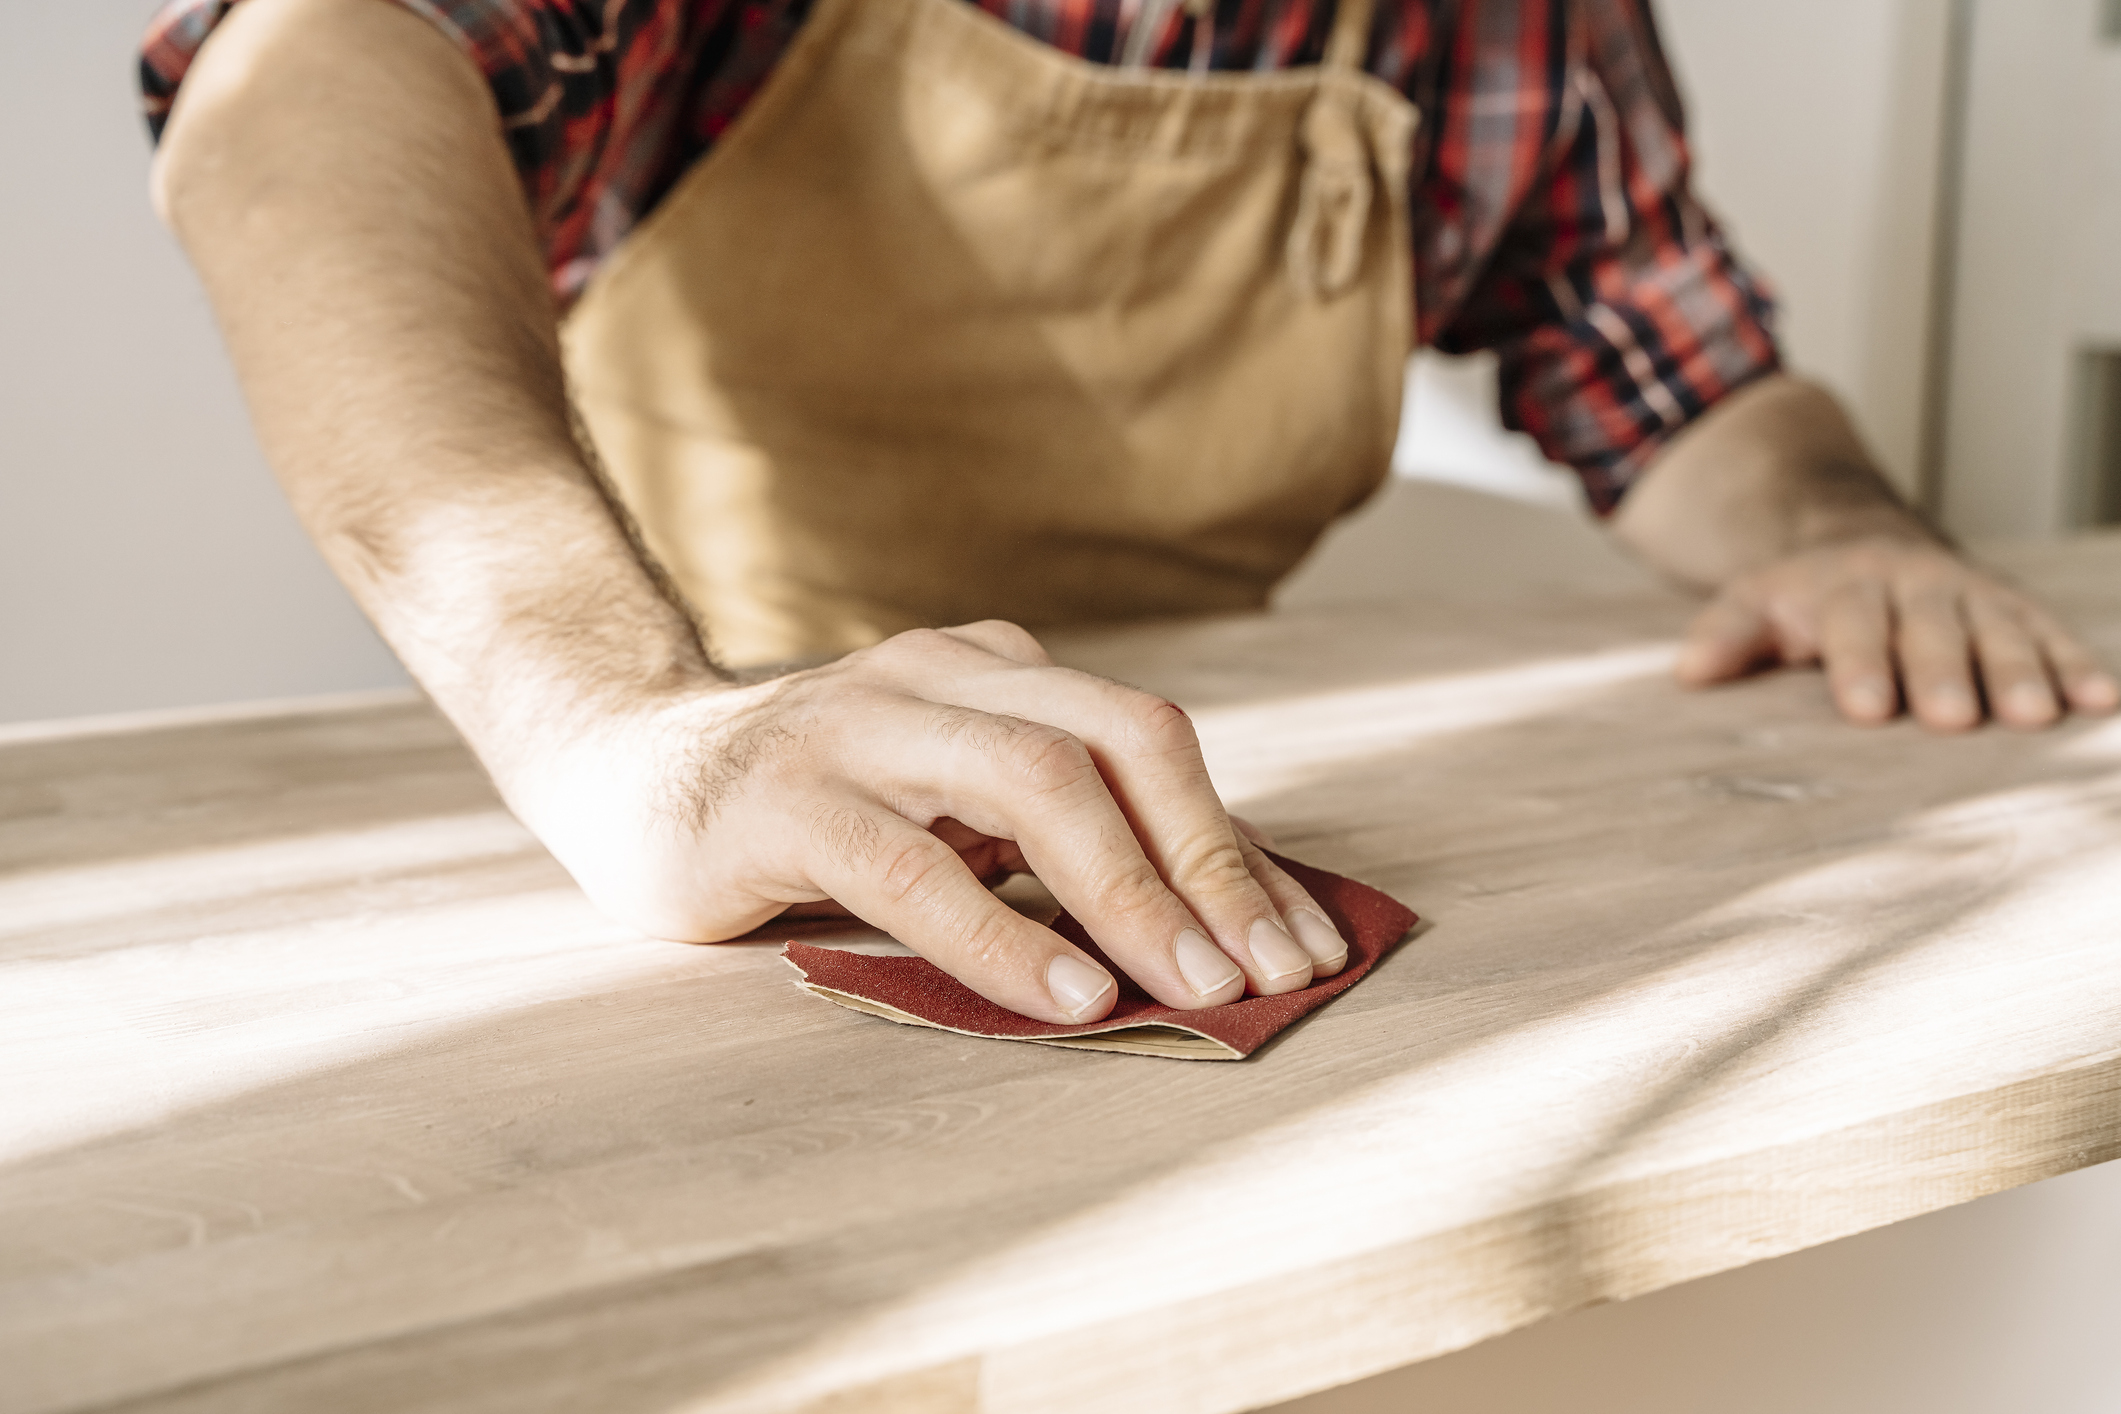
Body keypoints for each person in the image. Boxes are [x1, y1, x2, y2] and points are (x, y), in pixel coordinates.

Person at [140, 0, 2114, 1028]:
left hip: (1205, 775)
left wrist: (1836, 517)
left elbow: (1662, 357)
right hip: (665, 752)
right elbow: (304, 74)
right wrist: (622, 721)